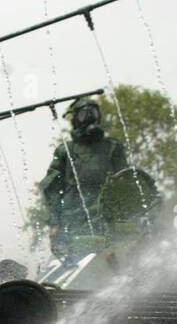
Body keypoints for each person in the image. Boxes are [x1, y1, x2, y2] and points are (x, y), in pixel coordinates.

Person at [38, 95, 129, 258]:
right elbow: (51, 189)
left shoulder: (112, 147)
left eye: (93, 113)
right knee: (77, 261)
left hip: (107, 216)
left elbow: (126, 182)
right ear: (75, 119)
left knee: (116, 257)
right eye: (83, 114)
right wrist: (55, 223)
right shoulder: (65, 151)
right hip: (74, 219)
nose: (89, 118)